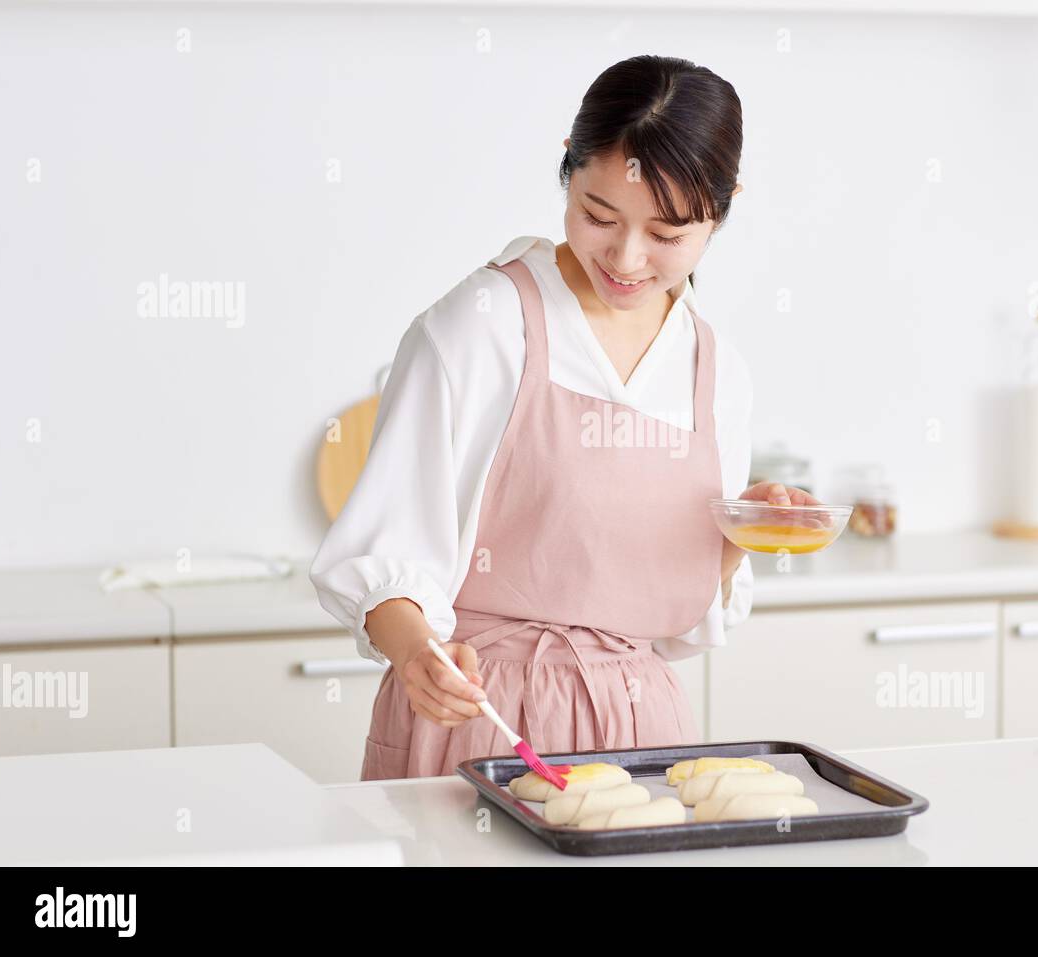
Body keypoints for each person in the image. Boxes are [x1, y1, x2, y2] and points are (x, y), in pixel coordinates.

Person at [310, 54, 817, 779]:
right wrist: (416, 652)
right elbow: (384, 549)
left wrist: (742, 531)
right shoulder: (483, 324)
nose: (628, 258)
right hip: (482, 719)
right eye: (598, 215)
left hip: (645, 731)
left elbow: (673, 622)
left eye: (669, 236)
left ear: (724, 207)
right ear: (567, 172)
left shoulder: (715, 369)